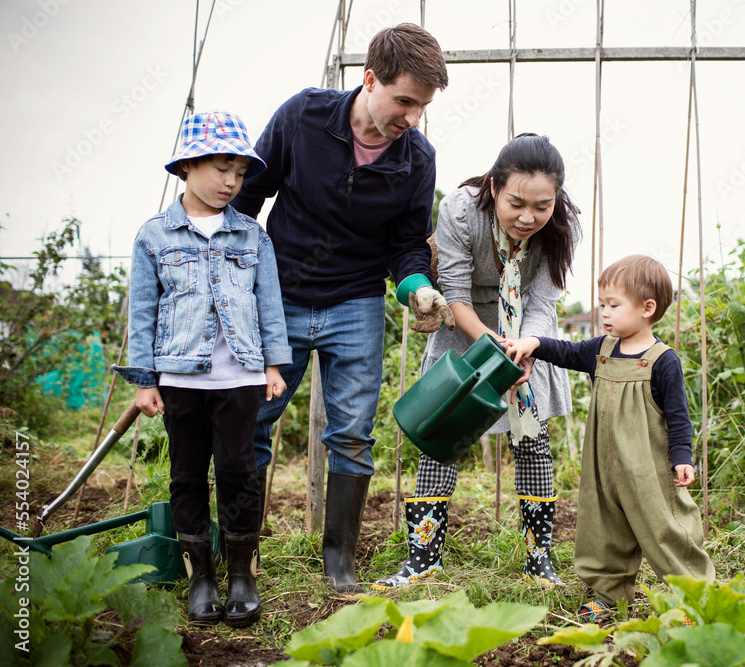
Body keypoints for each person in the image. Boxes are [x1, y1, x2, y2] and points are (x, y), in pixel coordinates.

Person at [230, 23, 453, 594]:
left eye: (423, 106)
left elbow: (406, 244)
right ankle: (240, 559)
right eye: (404, 100)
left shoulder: (417, 158)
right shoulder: (303, 118)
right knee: (252, 422)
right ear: (370, 78)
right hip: (279, 296)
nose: (412, 117)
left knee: (352, 432)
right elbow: (248, 200)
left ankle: (339, 561)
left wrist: (417, 287)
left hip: (355, 300)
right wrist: (236, 284)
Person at [373, 133, 581, 590]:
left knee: (532, 441)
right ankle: (423, 559)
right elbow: (458, 292)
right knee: (440, 434)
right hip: (463, 328)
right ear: (494, 187)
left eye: (542, 206)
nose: (528, 217)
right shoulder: (461, 211)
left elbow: (544, 301)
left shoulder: (563, 226)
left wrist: (528, 347)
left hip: (527, 333)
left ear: (556, 199)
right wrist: (493, 348)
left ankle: (537, 559)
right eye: (516, 203)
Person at [112, 111, 291, 628]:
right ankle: (202, 579)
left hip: (238, 378)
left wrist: (275, 365)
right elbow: (142, 313)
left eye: (240, 173)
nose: (232, 182)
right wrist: (145, 380)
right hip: (178, 379)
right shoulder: (154, 237)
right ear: (187, 167)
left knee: (239, 472)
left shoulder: (252, 237)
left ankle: (241, 576)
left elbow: (269, 305)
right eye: (221, 169)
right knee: (187, 475)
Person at [503, 255, 715, 620]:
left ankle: (693, 594)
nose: (604, 312)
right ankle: (607, 592)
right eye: (602, 304)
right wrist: (533, 342)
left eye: (614, 305)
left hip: (647, 469)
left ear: (647, 308)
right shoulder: (600, 351)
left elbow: (680, 417)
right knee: (602, 527)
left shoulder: (663, 361)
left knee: (665, 528)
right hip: (603, 465)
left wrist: (683, 457)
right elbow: (564, 351)